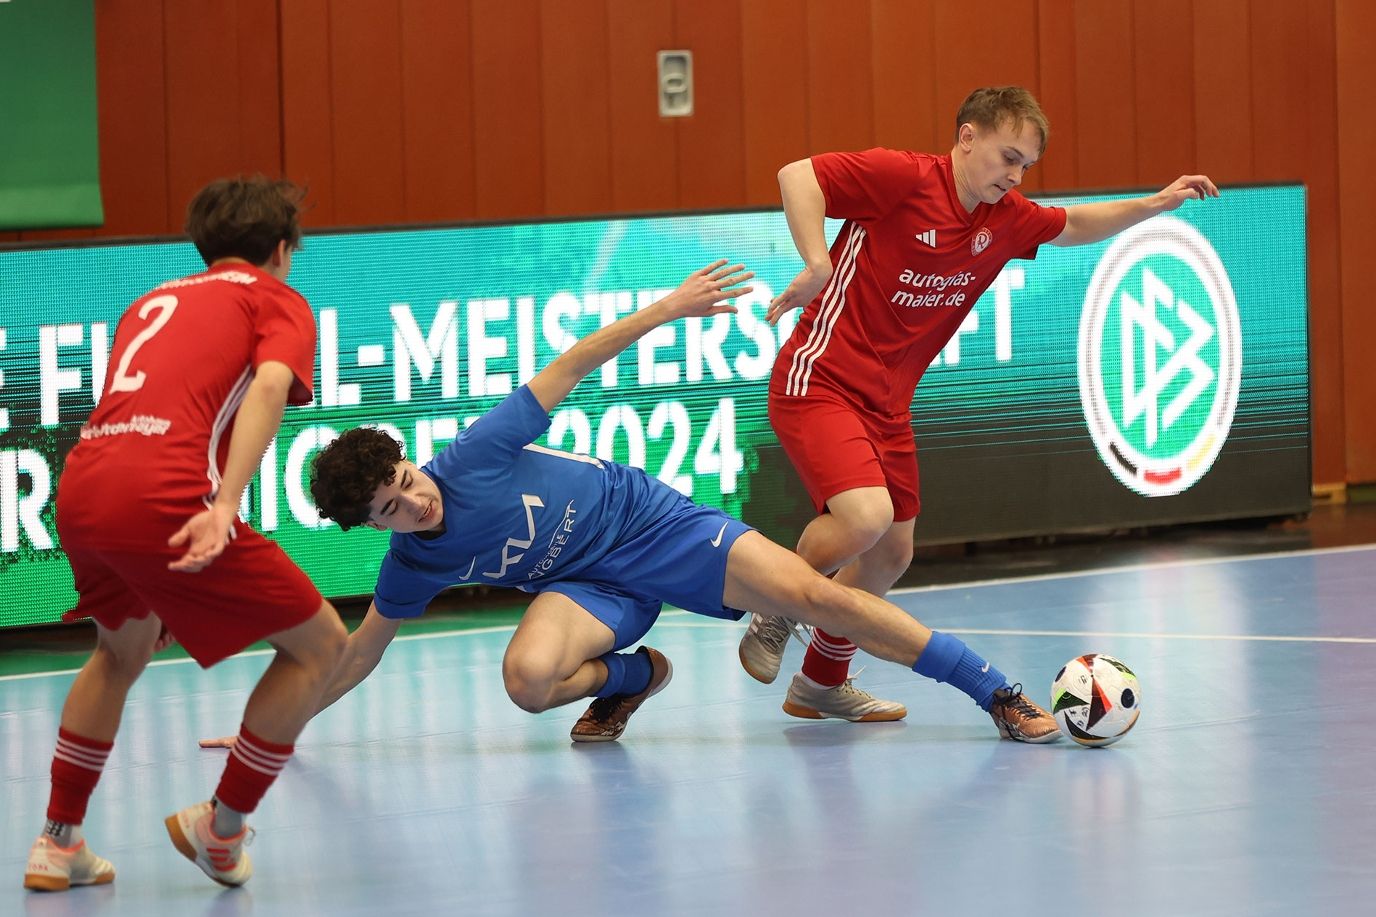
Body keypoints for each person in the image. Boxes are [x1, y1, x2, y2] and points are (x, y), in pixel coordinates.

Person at [279, 260, 1059, 754]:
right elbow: (358, 652)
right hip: (588, 589)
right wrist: (279, 726)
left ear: (410, 459)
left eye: (406, 480)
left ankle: (991, 687)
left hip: (651, 526)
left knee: (820, 596)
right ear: (375, 527)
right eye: (391, 509)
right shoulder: (415, 562)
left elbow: (576, 360)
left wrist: (669, 307)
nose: (413, 502)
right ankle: (635, 673)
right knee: (525, 682)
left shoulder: (476, 452)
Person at [738, 86, 1219, 721]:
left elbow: (1073, 223)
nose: (1015, 176)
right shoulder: (904, 178)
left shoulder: (1005, 217)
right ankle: (777, 607)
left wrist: (1155, 204)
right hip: (819, 378)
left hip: (887, 403)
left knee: (891, 552)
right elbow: (797, 176)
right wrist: (818, 262)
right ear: (968, 137)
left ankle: (821, 682)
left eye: (1026, 166)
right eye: (1007, 157)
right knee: (863, 518)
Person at [23, 177, 348, 893]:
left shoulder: (149, 303)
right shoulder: (275, 298)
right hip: (165, 493)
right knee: (322, 644)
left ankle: (58, 840)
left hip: (82, 487)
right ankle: (221, 826)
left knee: (118, 650)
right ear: (283, 249)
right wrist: (226, 502)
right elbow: (267, 387)